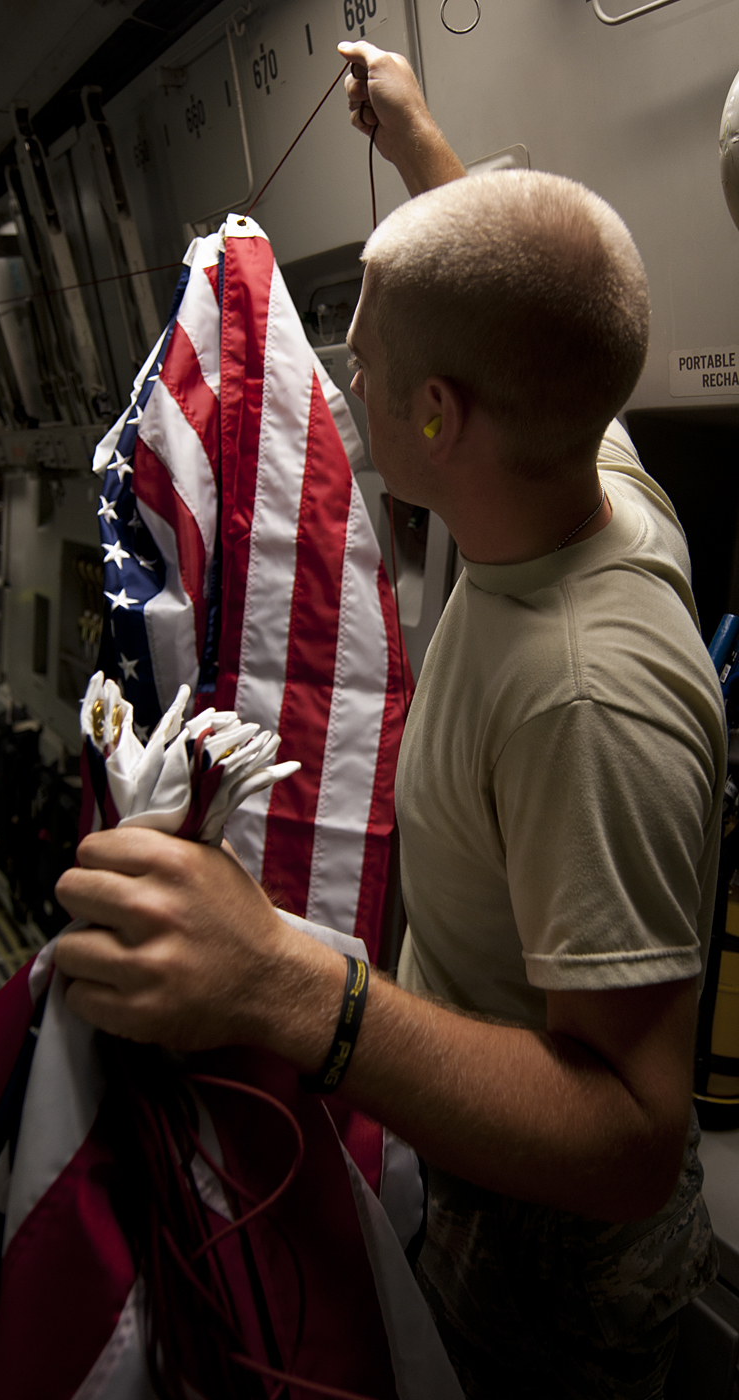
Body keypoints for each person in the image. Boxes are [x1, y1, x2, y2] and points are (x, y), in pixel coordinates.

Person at [50, 40, 724, 1400]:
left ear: (436, 415)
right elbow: (518, 309)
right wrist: (420, 146)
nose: (344, 383)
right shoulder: (575, 463)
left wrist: (284, 981)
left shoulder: (584, 695)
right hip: (483, 1187)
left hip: (550, 1269)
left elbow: (631, 1138)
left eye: (363, 363)